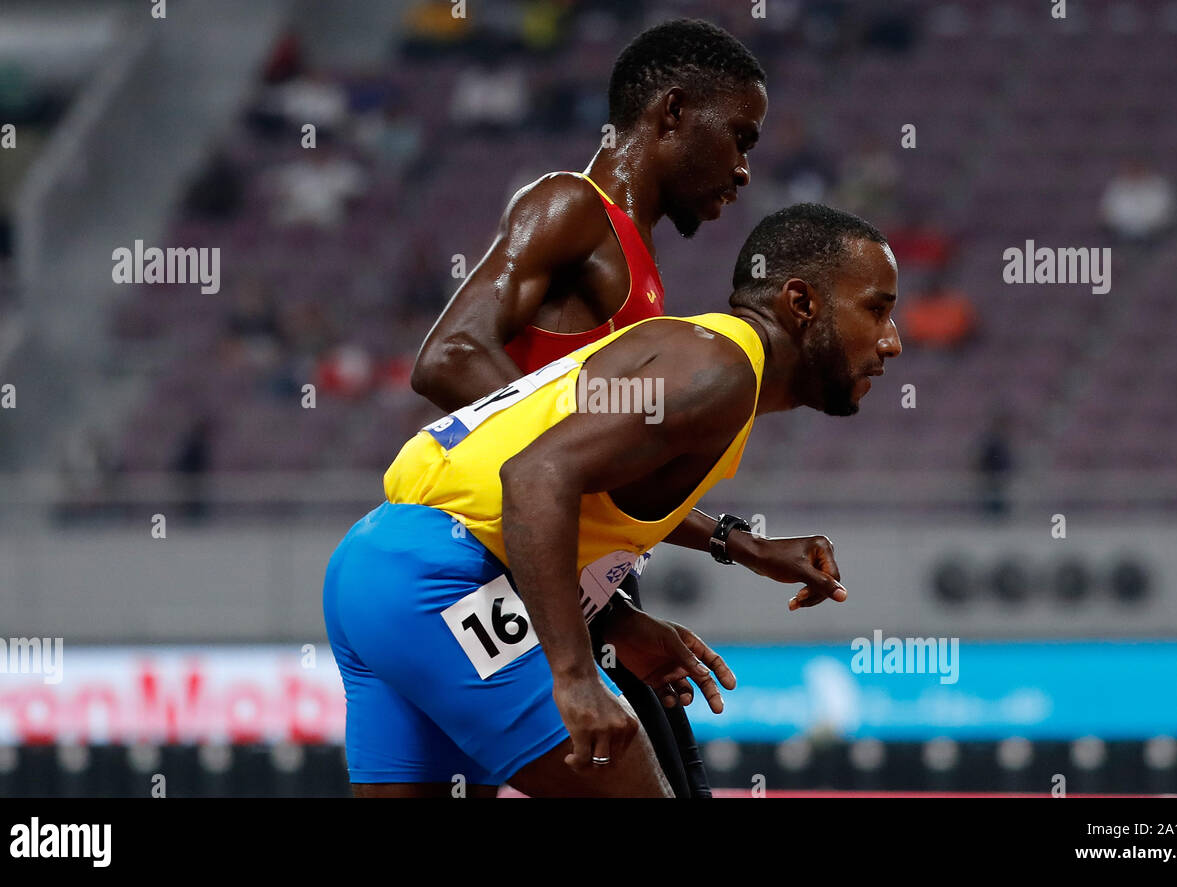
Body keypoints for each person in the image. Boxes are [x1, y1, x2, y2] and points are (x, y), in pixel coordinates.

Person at [322, 203, 903, 797]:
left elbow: (587, 480)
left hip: (378, 568)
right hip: (445, 585)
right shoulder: (721, 372)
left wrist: (738, 546)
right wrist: (574, 675)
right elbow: (536, 477)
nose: (893, 342)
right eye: (877, 310)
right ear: (802, 304)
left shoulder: (701, 354)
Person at [409, 17, 769, 798]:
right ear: (671, 112)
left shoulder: (641, 272)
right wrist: (601, 615)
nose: (743, 170)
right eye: (739, 137)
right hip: (532, 569)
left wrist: (733, 542)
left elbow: (599, 458)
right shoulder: (573, 206)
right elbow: (447, 358)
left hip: (574, 573)